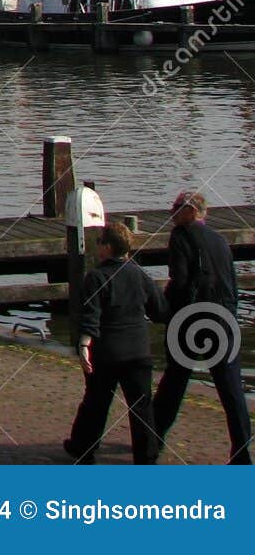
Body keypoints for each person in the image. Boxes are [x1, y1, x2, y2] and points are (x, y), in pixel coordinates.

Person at [152, 191, 254, 464]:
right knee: (231, 389)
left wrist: (164, 310)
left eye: (175, 208)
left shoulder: (181, 236)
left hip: (192, 319)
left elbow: (180, 280)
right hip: (223, 317)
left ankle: (153, 439)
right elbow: (231, 282)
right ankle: (242, 453)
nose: (171, 213)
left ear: (189, 212)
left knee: (175, 380)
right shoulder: (220, 240)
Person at [65, 220, 169, 464]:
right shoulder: (140, 275)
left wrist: (83, 346)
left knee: (96, 402)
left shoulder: (97, 277)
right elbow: (160, 310)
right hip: (138, 352)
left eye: (100, 242)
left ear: (108, 248)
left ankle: (83, 448)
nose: (97, 245)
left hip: (107, 353)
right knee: (141, 406)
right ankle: (146, 456)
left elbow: (91, 315)